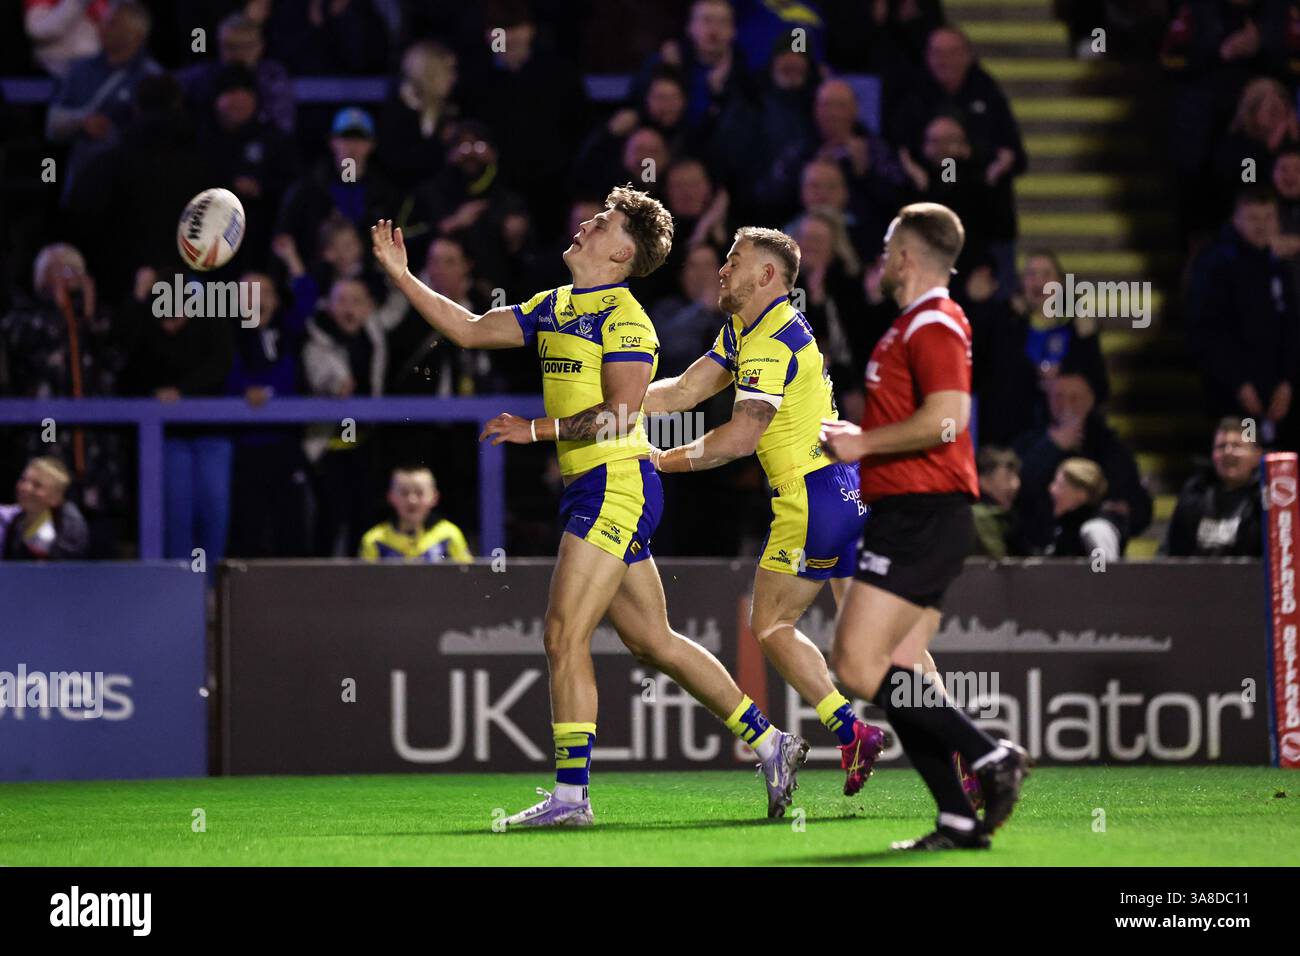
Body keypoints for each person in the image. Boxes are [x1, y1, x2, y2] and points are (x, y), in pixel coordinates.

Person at [371, 186, 808, 826]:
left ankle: (572, 799)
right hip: (597, 485)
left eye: (600, 222)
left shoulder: (625, 319)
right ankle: (773, 743)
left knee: (561, 633)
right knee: (654, 642)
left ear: (622, 252)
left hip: (615, 483)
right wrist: (403, 276)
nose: (584, 224)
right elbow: (466, 330)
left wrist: (536, 430)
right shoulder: (555, 305)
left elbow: (624, 414)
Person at [645, 226, 888, 796]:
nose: (721, 270)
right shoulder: (743, 327)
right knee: (878, 643)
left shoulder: (770, 340)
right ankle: (961, 746)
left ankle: (850, 729)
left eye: (734, 261)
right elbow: (684, 390)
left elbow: (738, 439)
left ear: (767, 276)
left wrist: (662, 461)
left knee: (772, 624)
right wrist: (620, 400)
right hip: (848, 488)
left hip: (810, 499)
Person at [819, 202, 1029, 851]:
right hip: (919, 513)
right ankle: (958, 818)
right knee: (903, 672)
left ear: (907, 255)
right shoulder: (914, 323)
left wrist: (863, 446)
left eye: (886, 248)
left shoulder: (934, 321)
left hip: (921, 514)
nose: (881, 260)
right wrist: (866, 439)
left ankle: (989, 755)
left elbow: (948, 419)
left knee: (856, 665)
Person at [1014, 372, 1152, 553]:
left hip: (1086, 560)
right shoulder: (1029, 443)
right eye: (1058, 396)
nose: (1065, 404)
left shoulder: (1096, 529)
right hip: (1042, 555)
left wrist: (1119, 516)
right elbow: (1017, 492)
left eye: (1074, 397)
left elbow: (1102, 571)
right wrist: (1050, 447)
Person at [1162, 417, 1264, 557]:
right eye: (1221, 446)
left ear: (1256, 456)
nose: (1228, 452)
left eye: (1237, 446)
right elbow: (1171, 550)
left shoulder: (1266, 500)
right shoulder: (1195, 493)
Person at [359, 466, 471, 563]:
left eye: (419, 493)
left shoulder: (449, 535)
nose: (412, 500)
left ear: (434, 497)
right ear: (390, 497)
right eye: (404, 493)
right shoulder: (375, 540)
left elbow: (467, 579)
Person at [0, 457, 89, 561]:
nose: (25, 488)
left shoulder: (69, 522)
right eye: (23, 480)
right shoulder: (16, 521)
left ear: (56, 497)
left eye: (37, 485)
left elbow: (70, 567)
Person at [1046, 457, 1121, 562]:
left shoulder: (1096, 529)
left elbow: (1103, 573)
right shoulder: (1064, 529)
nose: (1052, 489)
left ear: (1081, 495)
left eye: (1060, 485)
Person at [971, 446, 1021, 559]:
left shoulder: (1007, 515)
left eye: (1017, 476)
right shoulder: (980, 516)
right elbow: (1000, 561)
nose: (1016, 484)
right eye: (1008, 477)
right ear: (984, 481)